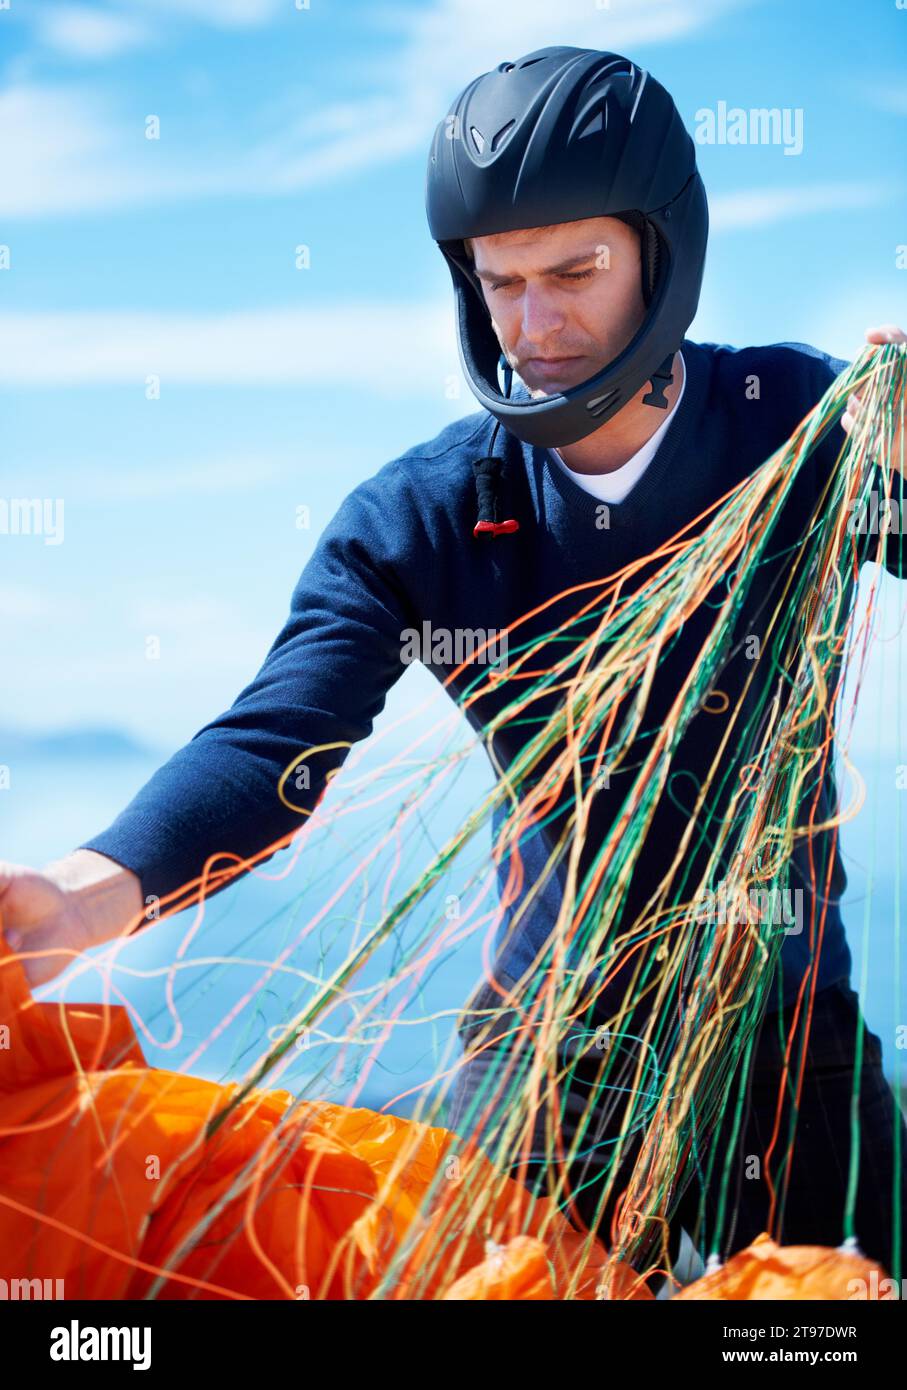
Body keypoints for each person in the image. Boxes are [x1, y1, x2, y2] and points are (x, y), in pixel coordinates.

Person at [2, 45, 905, 1276]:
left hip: (798, 1041)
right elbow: (275, 742)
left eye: (576, 272)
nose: (537, 326)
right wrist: (77, 898)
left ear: (662, 250)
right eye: (502, 282)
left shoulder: (809, 425)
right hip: (551, 1050)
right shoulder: (424, 517)